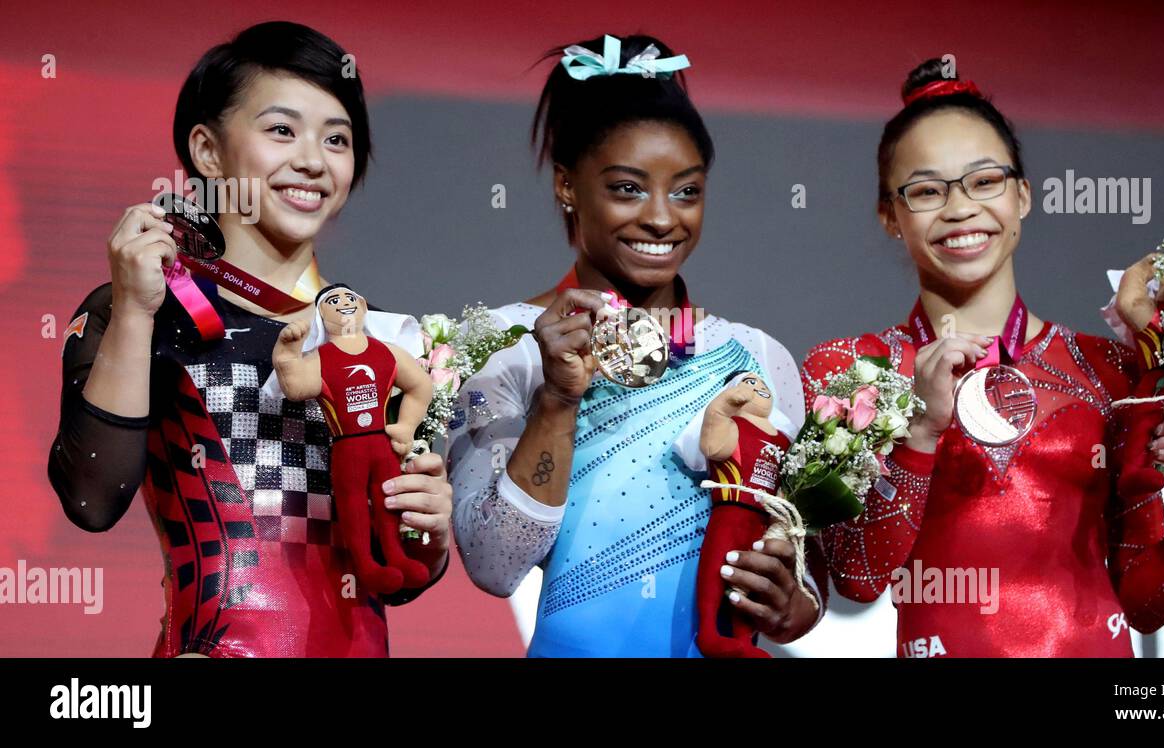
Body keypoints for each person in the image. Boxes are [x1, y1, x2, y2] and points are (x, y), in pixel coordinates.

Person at [47, 22, 452, 657]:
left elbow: (400, 577)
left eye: (337, 139)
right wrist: (132, 311)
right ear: (207, 151)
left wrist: (429, 528)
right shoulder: (146, 309)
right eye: (282, 130)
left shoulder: (384, 341)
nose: (313, 160)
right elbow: (91, 499)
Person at [800, 59, 1164, 657]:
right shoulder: (852, 371)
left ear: (1022, 195)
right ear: (889, 216)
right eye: (926, 191)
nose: (960, 209)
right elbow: (859, 578)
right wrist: (919, 434)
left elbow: (1143, 604)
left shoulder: (1111, 369)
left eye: (984, 181)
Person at [447, 34, 819, 657]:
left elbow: (806, 580)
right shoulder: (507, 347)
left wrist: (791, 604)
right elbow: (494, 563)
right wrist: (559, 401)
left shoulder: (757, 357)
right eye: (626, 188)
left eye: (686, 191)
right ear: (567, 185)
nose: (661, 218)